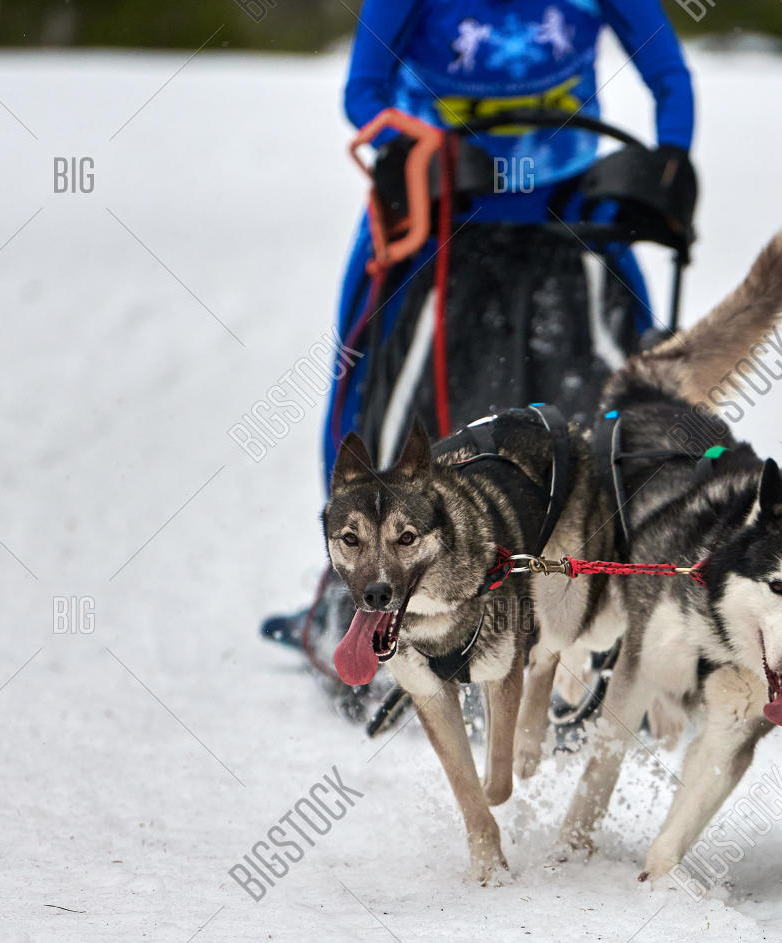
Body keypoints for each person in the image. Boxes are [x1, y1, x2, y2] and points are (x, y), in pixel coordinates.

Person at [262, 0, 697, 660]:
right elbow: (364, 92)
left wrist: (670, 154)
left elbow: (668, 75)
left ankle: (653, 575)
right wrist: (407, 144)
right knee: (361, 355)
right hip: (439, 193)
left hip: (566, 190)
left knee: (651, 356)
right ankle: (342, 590)